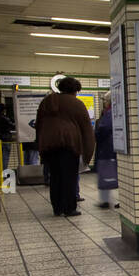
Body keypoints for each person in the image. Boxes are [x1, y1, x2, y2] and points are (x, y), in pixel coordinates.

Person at [35, 76, 95, 217]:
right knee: (69, 177)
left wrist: (40, 145)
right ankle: (69, 208)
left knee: (55, 176)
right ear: (75, 90)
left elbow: (38, 125)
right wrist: (88, 153)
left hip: (49, 145)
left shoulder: (46, 102)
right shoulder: (76, 104)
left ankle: (57, 208)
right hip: (69, 145)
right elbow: (87, 130)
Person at [93, 95, 118, 209]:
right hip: (115, 147)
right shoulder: (119, 111)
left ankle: (105, 201)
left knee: (105, 174)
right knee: (117, 174)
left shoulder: (109, 113)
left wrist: (96, 135)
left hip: (107, 148)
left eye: (105, 101)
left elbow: (103, 129)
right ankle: (115, 200)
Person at [0, 101, 16, 176]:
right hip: (6, 140)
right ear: (4, 110)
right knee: (5, 158)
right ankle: (3, 174)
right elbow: (12, 126)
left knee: (0, 158)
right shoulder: (5, 119)